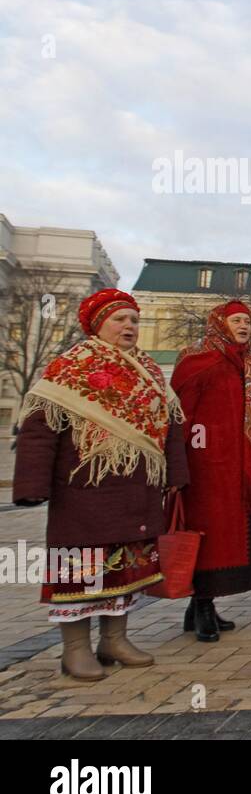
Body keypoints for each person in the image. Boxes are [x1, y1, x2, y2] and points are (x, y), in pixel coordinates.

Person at [13, 289, 188, 679]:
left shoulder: (149, 370)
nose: (129, 326)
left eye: (134, 320)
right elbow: (40, 428)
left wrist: (176, 477)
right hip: (84, 488)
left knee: (126, 567)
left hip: (137, 488)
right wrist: (31, 484)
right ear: (97, 324)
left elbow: (172, 426)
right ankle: (75, 649)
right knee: (80, 570)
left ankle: (114, 640)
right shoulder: (70, 367)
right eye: (119, 319)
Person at [170, 300, 251, 642]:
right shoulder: (196, 360)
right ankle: (202, 605)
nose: (244, 325)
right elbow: (180, 415)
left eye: (248, 321)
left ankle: (200, 608)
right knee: (209, 534)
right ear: (220, 322)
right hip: (206, 466)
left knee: (231, 536)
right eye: (237, 320)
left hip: (246, 465)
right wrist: (178, 461)